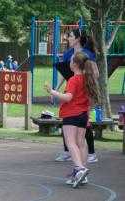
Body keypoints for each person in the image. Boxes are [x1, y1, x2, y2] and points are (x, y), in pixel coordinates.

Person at [44, 52, 98, 188]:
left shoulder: (74, 80)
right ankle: (81, 171)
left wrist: (52, 91)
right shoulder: (87, 79)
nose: (68, 62)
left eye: (70, 61)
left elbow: (68, 97)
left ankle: (79, 169)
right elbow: (90, 101)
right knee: (81, 142)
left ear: (74, 64)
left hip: (71, 114)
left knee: (71, 143)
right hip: (82, 114)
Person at [54, 29, 99, 163]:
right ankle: (68, 151)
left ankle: (91, 153)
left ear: (78, 38)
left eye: (70, 36)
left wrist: (90, 86)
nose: (68, 38)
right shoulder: (68, 54)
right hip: (71, 88)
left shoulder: (87, 54)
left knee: (85, 123)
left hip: (83, 90)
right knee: (67, 121)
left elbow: (95, 73)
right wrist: (56, 89)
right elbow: (64, 72)